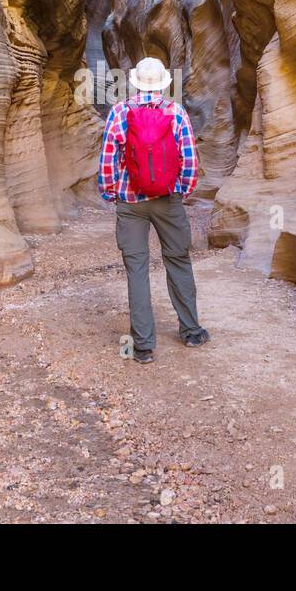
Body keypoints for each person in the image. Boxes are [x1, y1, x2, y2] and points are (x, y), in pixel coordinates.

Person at [98, 57, 210, 364]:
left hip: (130, 203)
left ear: (135, 82)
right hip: (167, 200)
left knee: (137, 269)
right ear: (164, 83)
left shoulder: (120, 111)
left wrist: (111, 192)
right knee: (178, 260)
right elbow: (189, 159)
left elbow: (108, 158)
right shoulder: (175, 112)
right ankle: (190, 331)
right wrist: (181, 191)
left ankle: (144, 346)